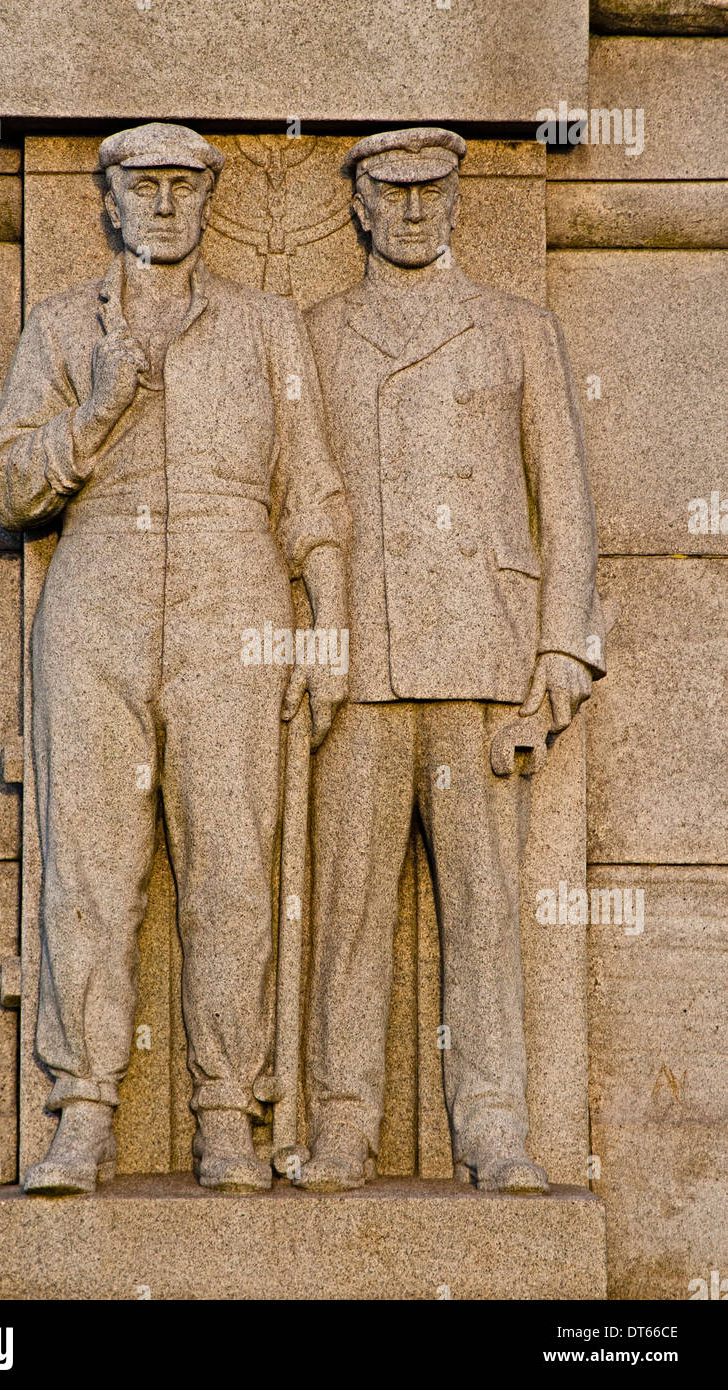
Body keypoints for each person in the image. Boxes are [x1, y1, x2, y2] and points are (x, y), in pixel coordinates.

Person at [0, 122, 349, 1194]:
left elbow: (313, 490)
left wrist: (323, 632)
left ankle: (227, 1111)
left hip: (233, 592)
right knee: (88, 864)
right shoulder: (59, 327)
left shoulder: (267, 327)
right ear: (108, 201)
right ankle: (83, 1111)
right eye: (141, 184)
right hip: (96, 587)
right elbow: (8, 489)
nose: (163, 203)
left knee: (233, 861)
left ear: (205, 199)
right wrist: (92, 416)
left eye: (185, 184)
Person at [297, 127, 605, 1193]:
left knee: (483, 915)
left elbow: (564, 505)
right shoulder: (317, 334)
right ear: (360, 208)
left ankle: (494, 1126)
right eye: (392, 192)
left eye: (433, 190)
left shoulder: (519, 328)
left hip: (481, 652)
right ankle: (341, 1124)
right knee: (346, 912)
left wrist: (560, 648)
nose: (415, 210)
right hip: (365, 664)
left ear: (457, 201)